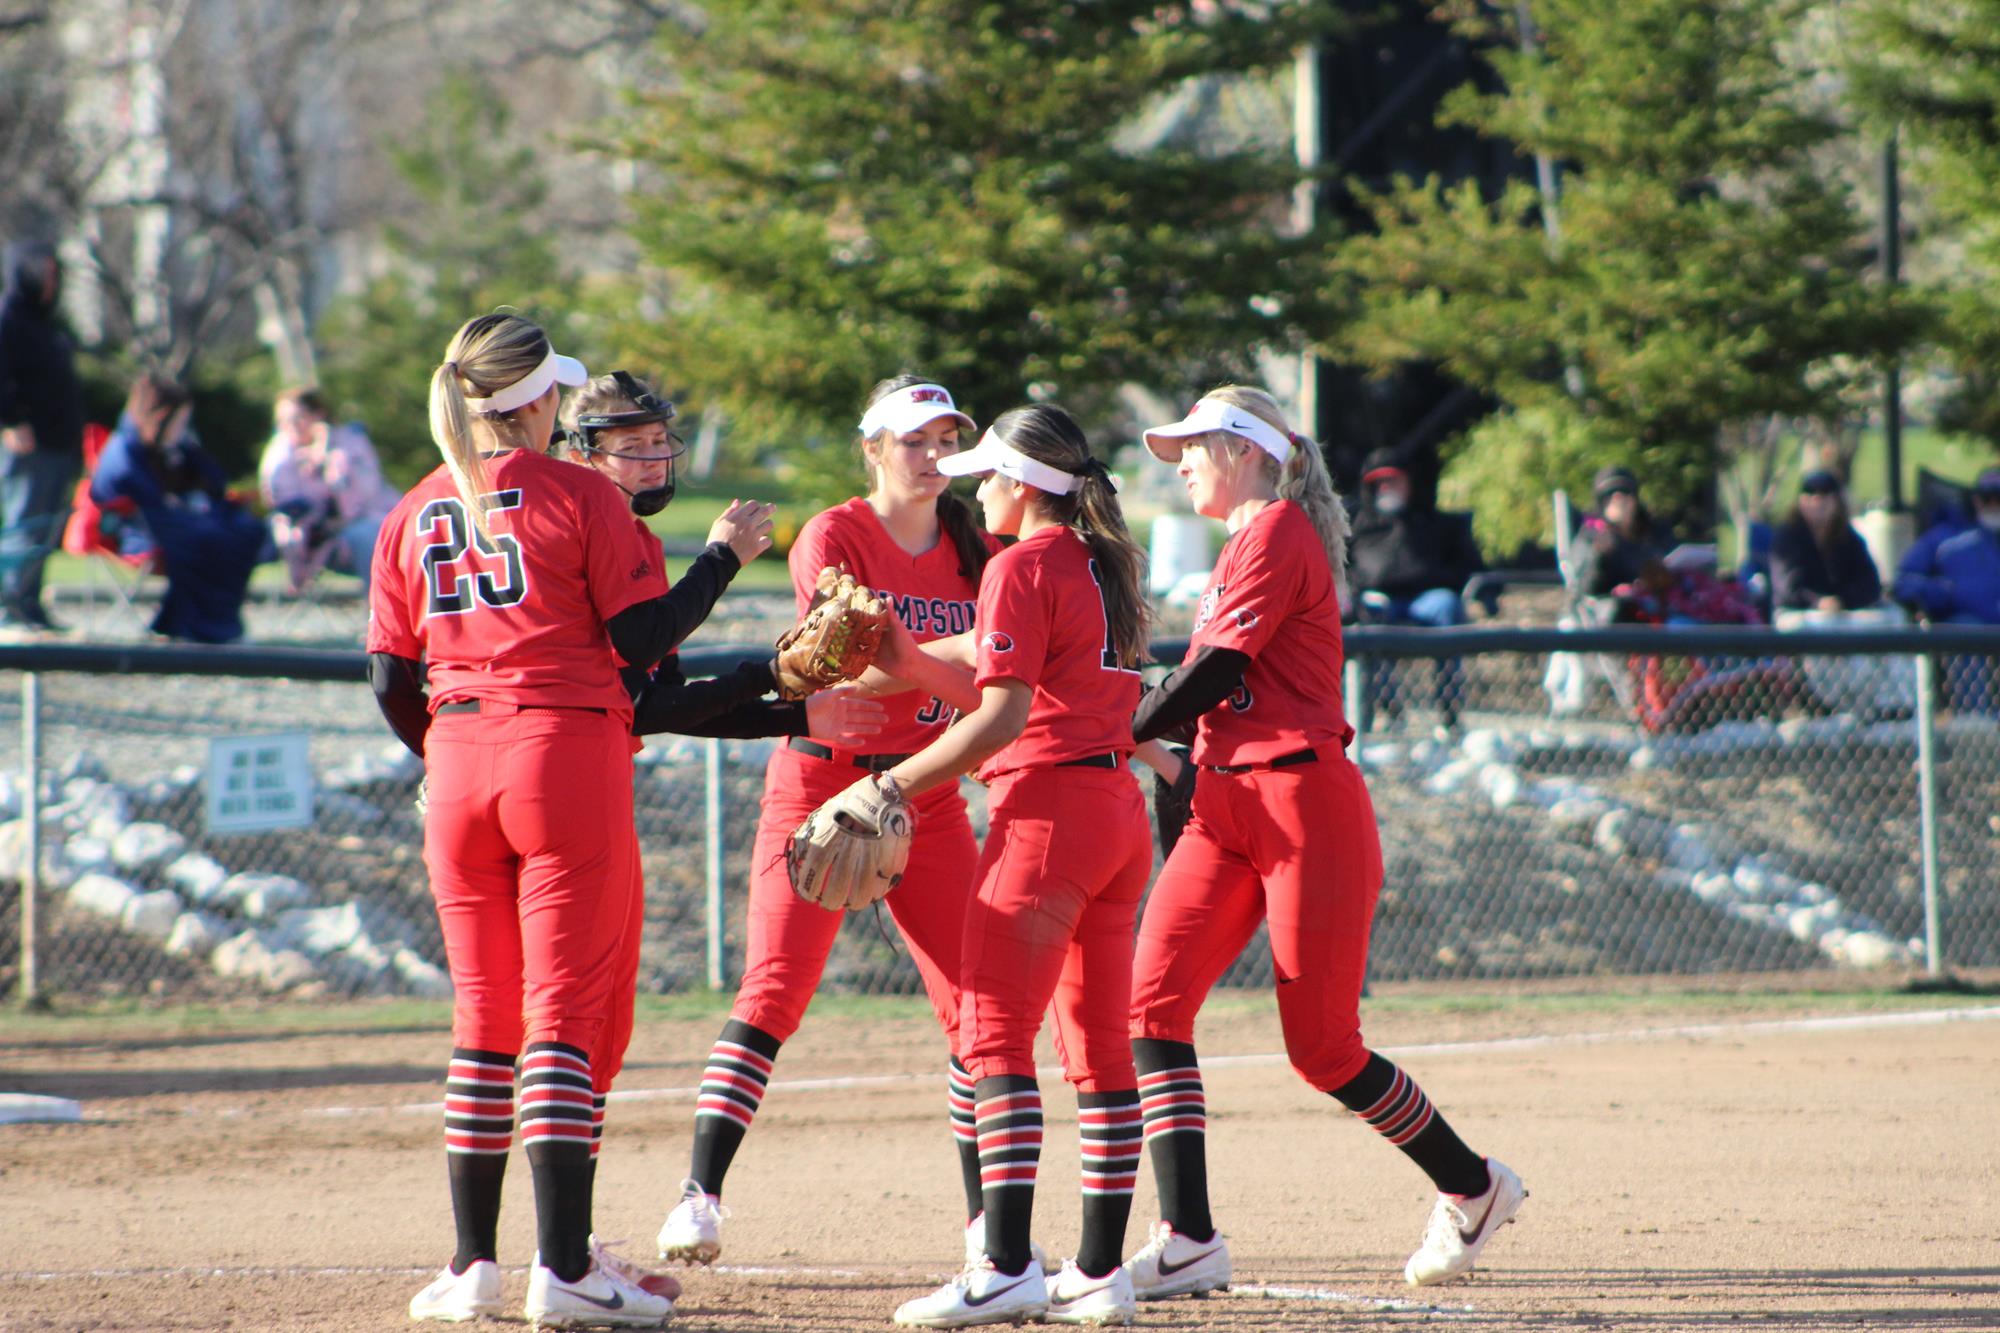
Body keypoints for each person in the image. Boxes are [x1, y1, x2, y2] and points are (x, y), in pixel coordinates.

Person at [1125, 386, 1524, 1297]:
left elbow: (1218, 671)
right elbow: (1206, 696)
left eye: (1195, 443)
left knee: (1324, 1049)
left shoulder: (1274, 533)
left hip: (1305, 805)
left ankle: (1475, 1184)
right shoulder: (1240, 545)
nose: (1180, 459)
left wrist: (1127, 720)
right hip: (1227, 808)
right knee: (1150, 1006)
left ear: (1247, 449)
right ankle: (1187, 1237)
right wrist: (1145, 734)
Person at [369, 311, 698, 1329]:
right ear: (538, 401)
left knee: (482, 1021)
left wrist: (441, 754)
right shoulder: (582, 493)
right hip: (562, 750)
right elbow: (644, 637)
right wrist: (722, 566)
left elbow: (388, 677)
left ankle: (472, 1265)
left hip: (458, 758)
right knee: (558, 1020)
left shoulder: (417, 504)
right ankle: (564, 1267)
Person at [655, 376, 1000, 1270]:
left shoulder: (980, 548)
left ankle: (985, 1229)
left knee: (976, 1007)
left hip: (925, 791)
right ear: (874, 448)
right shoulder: (837, 534)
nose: (933, 456)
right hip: (820, 787)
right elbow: (847, 660)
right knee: (773, 990)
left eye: (945, 440)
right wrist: (929, 664)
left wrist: (912, 660)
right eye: (913, 440)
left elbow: (972, 686)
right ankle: (699, 1195)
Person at [886, 404, 1155, 1328]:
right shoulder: (1100, 559)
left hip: (1048, 815)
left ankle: (1003, 1264)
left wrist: (889, 785)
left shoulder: (1020, 562)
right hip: (1116, 811)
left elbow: (1002, 717)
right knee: (1099, 1051)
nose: (979, 488)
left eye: (989, 474)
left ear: (1022, 482)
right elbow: (1014, 682)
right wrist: (905, 659)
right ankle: (1098, 1270)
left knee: (992, 1036)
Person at [90, 375, 268, 644]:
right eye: (179, 423)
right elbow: (142, 498)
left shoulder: (174, 447)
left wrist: (185, 450)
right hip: (137, 532)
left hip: (178, 523)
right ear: (160, 418)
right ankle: (207, 626)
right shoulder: (124, 451)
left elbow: (215, 483)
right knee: (211, 539)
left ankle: (210, 620)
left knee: (244, 530)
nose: (182, 429)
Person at [1347, 449, 1485, 731]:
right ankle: (1385, 708)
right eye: (1380, 483)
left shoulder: (1434, 524)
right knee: (1369, 615)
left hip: (1425, 600)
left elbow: (1468, 567)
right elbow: (1343, 571)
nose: (1386, 489)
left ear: (1409, 484)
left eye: (1394, 481)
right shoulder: (1357, 527)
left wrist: (1486, 597)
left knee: (1445, 604)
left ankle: (1449, 711)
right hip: (1376, 601)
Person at [0, 241, 85, 630]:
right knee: (24, 522)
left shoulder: (46, 323)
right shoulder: (8, 318)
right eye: (45, 274)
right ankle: (10, 606)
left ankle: (31, 603)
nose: (52, 283)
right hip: (28, 443)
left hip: (58, 440)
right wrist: (12, 420)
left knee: (45, 527)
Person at [259, 387, 401, 597]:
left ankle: (388, 611)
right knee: (364, 537)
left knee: (372, 533)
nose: (292, 427)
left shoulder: (351, 443)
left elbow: (366, 493)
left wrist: (328, 458)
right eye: (283, 421)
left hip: (363, 519)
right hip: (310, 537)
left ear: (318, 415)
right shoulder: (280, 455)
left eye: (298, 418)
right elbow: (280, 501)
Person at [1894, 467, 2000, 713]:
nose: (1994, 504)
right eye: (1988, 498)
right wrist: (1946, 593)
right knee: (1964, 630)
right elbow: (1905, 581)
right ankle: (1975, 726)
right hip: (1971, 624)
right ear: (1976, 501)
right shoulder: (1946, 538)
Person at [1770, 470, 1881, 614]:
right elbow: (1788, 589)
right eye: (1809, 493)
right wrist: (1818, 602)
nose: (1817, 501)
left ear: (1837, 502)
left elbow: (1870, 584)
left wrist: (1841, 601)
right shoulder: (1787, 539)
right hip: (1796, 618)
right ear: (1800, 501)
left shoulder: (1849, 538)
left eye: (1825, 494)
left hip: (1843, 617)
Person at [1570, 464, 1670, 619]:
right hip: (1616, 617)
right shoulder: (1589, 537)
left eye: (1625, 492)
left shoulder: (1653, 532)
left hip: (1661, 607)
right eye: (1610, 494)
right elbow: (1586, 590)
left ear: (1635, 499)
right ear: (1601, 503)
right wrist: (1599, 557)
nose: (1618, 498)